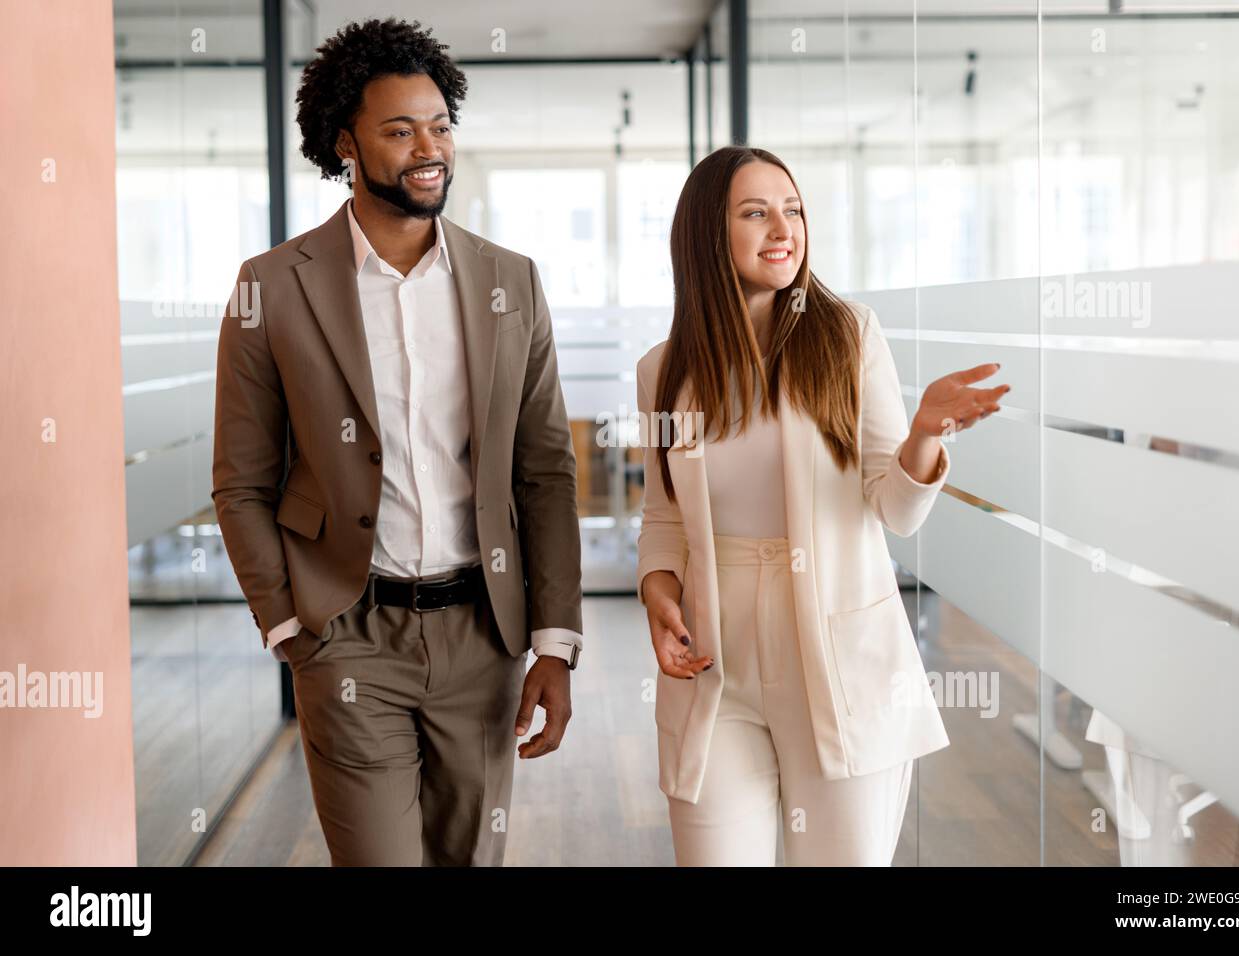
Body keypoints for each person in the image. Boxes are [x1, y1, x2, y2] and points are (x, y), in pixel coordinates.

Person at [211, 18, 582, 866]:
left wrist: (554, 641)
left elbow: (546, 470)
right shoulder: (272, 286)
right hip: (348, 633)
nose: (430, 148)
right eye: (400, 129)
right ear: (346, 144)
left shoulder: (510, 281)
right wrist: (287, 629)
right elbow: (241, 480)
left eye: (441, 125)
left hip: (483, 637)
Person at [636, 146, 1008, 865]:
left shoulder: (847, 336)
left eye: (793, 208)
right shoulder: (664, 368)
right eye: (755, 212)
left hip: (839, 664)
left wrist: (925, 432)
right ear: (706, 234)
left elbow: (896, 509)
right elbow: (664, 517)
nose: (784, 227)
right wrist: (656, 592)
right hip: (715, 667)